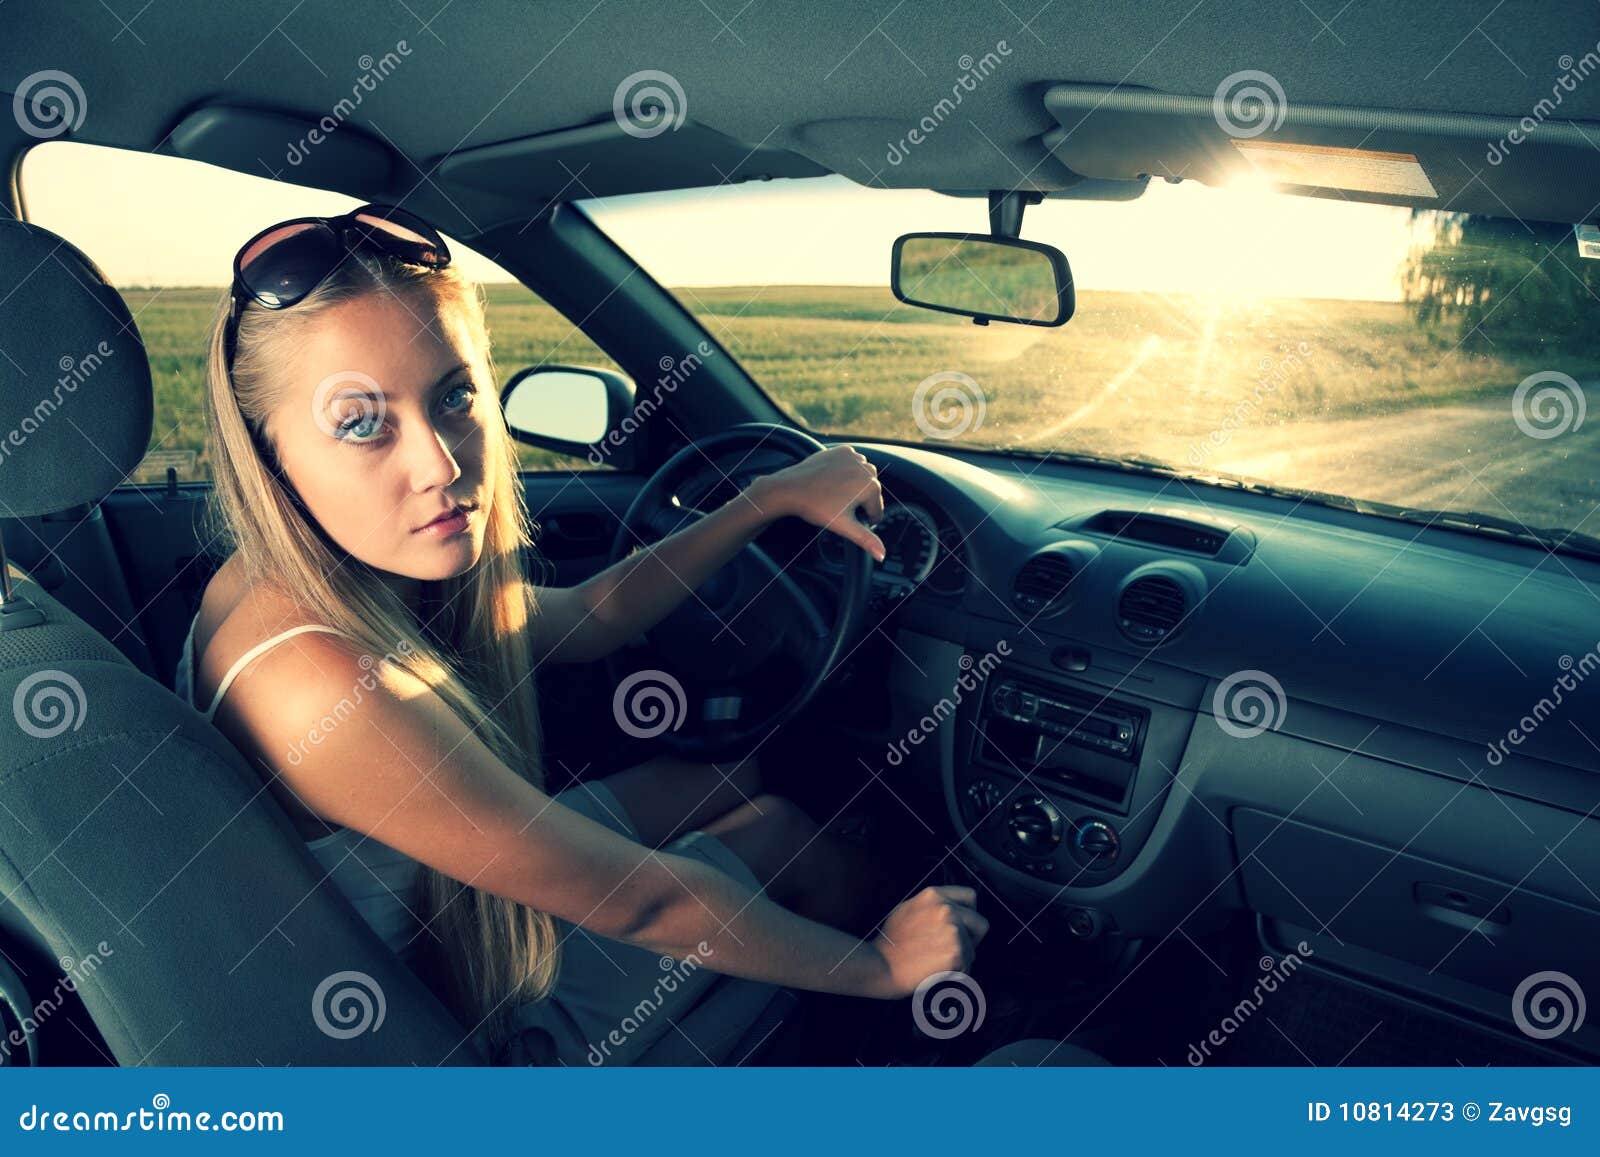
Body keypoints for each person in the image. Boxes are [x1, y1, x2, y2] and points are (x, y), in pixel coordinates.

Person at [173, 203, 987, 1065]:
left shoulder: (282, 574)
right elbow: (645, 906)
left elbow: (588, 618)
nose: (443, 467)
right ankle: (920, 1036)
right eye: (364, 424)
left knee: (719, 777)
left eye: (454, 396)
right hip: (453, 1038)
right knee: (782, 834)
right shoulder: (319, 681)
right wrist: (884, 966)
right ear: (270, 456)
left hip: (440, 928)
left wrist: (768, 498)